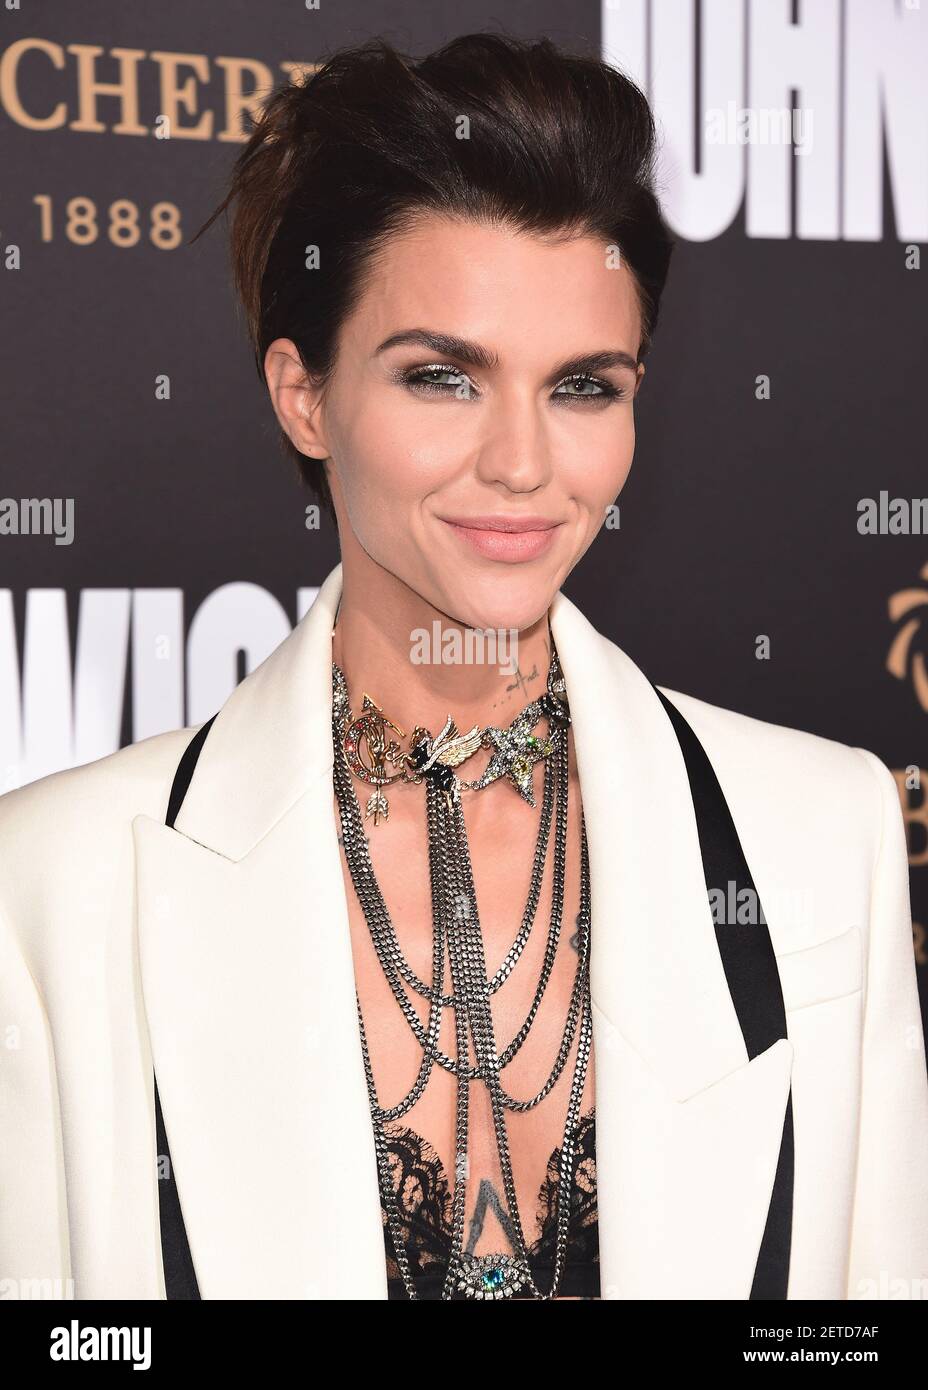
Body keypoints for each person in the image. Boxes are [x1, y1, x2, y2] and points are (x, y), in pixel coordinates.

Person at [1, 31, 926, 1303]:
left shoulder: (822, 835)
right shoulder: (53, 882)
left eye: (584, 386)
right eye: (444, 376)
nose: (521, 463)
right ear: (305, 395)